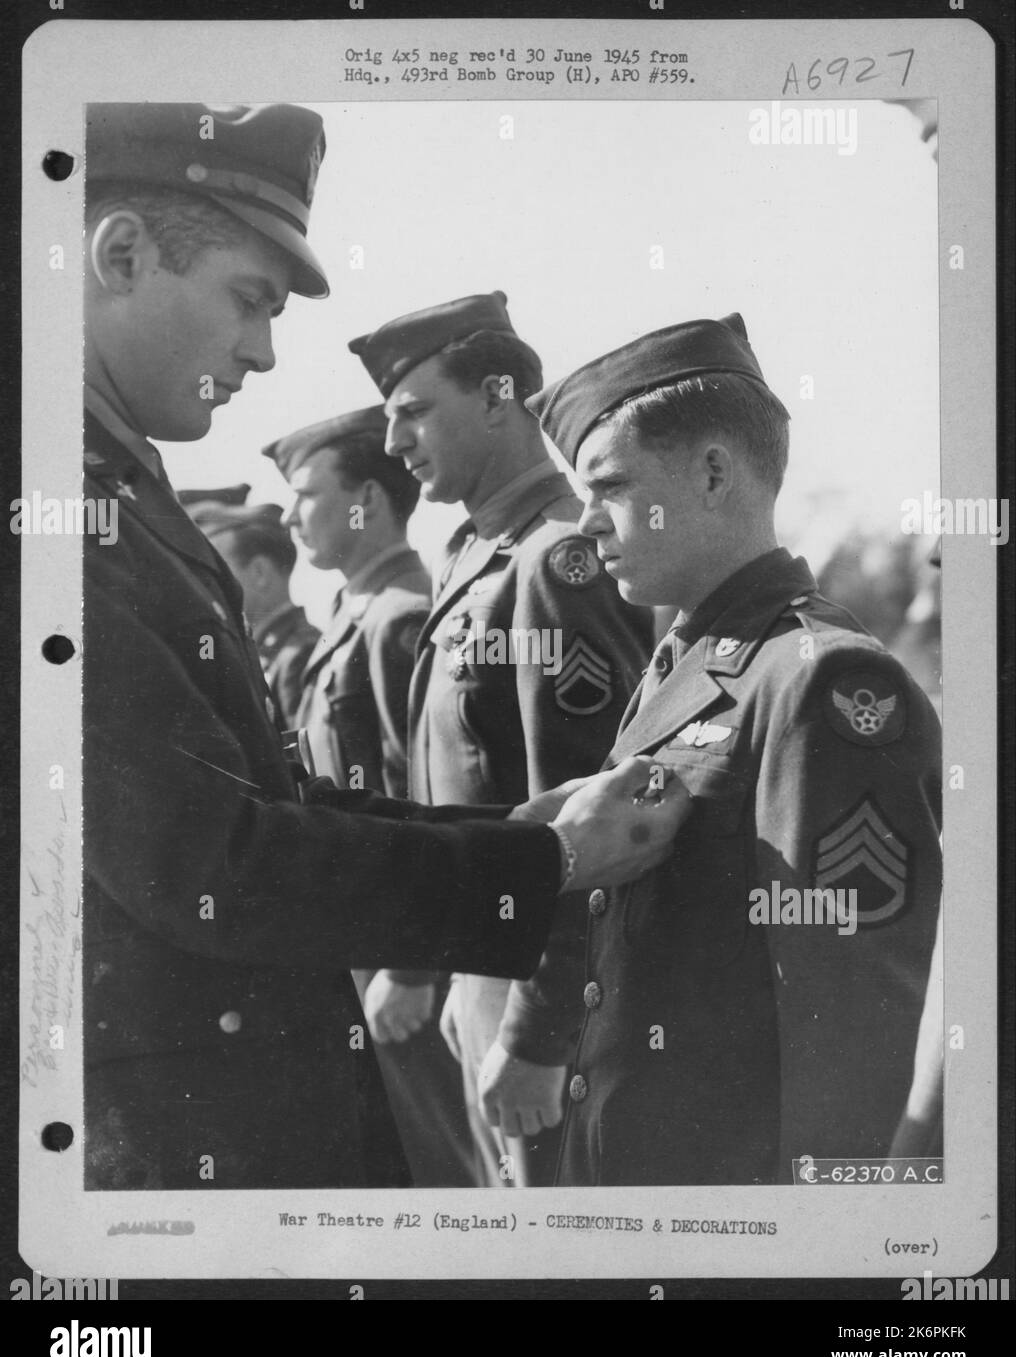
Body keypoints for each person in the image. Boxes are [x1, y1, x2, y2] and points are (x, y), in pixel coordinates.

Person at [81, 101, 690, 1191]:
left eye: (416, 413)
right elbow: (218, 858)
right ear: (119, 256)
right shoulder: (72, 518)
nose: (263, 351)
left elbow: (274, 804)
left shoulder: (120, 500)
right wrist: (533, 857)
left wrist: (521, 849)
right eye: (249, 300)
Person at [527, 312, 942, 1184]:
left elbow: (851, 1019)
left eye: (607, 486)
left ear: (714, 473)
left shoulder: (818, 678)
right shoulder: (686, 663)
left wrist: (823, 1251)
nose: (586, 524)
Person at [350, 294, 653, 1186]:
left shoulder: (558, 559)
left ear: (497, 396)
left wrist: (537, 1031)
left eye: (413, 414)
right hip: (478, 969)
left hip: (538, 988)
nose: (397, 445)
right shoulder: (475, 552)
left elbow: (585, 821)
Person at [264, 407, 474, 1186]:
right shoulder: (356, 618)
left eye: (307, 494)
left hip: (406, 961)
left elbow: (423, 805)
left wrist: (414, 967)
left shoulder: (401, 619)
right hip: (367, 947)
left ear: (369, 504)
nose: (289, 516)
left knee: (447, 1173)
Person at [187, 499, 318, 728]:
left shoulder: (298, 655)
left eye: (214, 576)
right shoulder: (268, 654)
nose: (203, 589)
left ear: (260, 573)